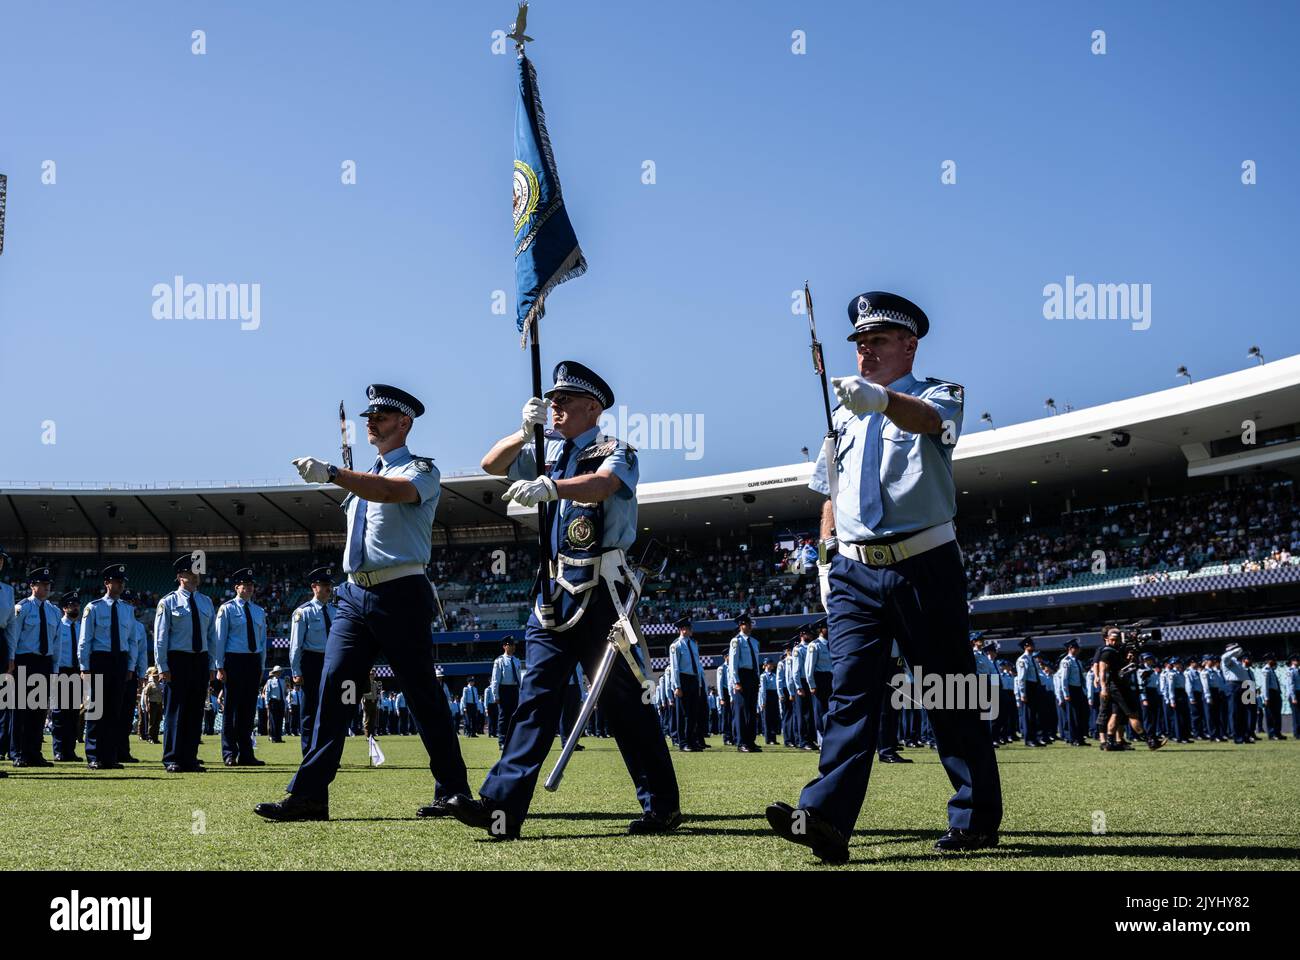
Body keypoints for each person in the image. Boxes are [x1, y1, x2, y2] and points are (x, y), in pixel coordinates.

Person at [766, 290, 1001, 862]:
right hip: (853, 570)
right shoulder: (843, 411)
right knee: (850, 693)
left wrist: (881, 400)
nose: (864, 351)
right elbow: (832, 489)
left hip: (923, 564)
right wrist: (826, 553)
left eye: (877, 341)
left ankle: (973, 818)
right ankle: (824, 816)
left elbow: (929, 422)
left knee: (949, 692)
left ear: (909, 345)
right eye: (859, 343)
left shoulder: (941, 394)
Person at [447, 362, 680, 839]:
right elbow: (491, 465)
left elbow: (602, 486)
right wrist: (521, 433)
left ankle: (662, 807)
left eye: (564, 401)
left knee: (625, 704)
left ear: (592, 407)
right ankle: (501, 808)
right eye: (551, 401)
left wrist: (552, 486)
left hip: (603, 594)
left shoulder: (617, 451)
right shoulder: (548, 450)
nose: (554, 407)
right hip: (553, 589)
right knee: (535, 700)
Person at [257, 384, 470, 822]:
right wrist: (346, 479)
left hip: (400, 592)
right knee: (332, 691)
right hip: (354, 594)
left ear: (404, 422)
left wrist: (335, 473)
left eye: (382, 416)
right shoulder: (366, 477)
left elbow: (391, 493)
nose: (371, 421)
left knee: (421, 695)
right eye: (369, 415)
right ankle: (310, 795)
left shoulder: (421, 470)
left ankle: (453, 791)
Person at [154, 555, 216, 773]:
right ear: (180, 576)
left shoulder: (206, 602)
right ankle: (172, 757)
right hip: (177, 659)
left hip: (199, 659)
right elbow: (161, 638)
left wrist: (212, 665)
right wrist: (162, 667)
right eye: (191, 572)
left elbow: (211, 636)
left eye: (197, 572)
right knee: (176, 710)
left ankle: (190, 757)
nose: (195, 576)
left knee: (195, 710)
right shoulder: (168, 601)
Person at [81, 564, 136, 771]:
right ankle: (94, 755)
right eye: (117, 581)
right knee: (97, 710)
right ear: (107, 583)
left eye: (122, 582)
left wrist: (130, 666)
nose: (120, 585)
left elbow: (132, 641)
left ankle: (110, 756)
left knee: (114, 711)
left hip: (119, 661)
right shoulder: (93, 607)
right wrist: (85, 667)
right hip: (100, 660)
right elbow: (85, 640)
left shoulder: (127, 609)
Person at [5, 567, 60, 766]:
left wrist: (55, 668)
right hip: (24, 661)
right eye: (43, 584)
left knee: (38, 710)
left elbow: (56, 644)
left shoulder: (54, 612)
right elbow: (13, 636)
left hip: (44, 662)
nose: (46, 588)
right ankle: (18, 752)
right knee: (21, 710)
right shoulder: (22, 608)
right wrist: (10, 661)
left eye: (48, 585)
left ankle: (34, 752)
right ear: (32, 586)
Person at [214, 568, 267, 766]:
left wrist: (261, 666)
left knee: (248, 710)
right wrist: (220, 666)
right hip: (233, 661)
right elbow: (220, 639)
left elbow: (261, 642)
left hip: (252, 661)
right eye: (245, 585)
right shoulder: (227, 609)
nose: (249, 589)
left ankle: (246, 753)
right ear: (237, 587)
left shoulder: (258, 611)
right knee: (231, 709)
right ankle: (229, 753)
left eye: (251, 585)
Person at [289, 565, 338, 756]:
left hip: (331, 661)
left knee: (329, 709)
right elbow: (295, 645)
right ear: (314, 587)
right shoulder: (303, 612)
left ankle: (325, 751)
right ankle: (309, 752)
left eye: (329, 585)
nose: (328, 589)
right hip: (311, 661)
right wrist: (296, 671)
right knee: (310, 710)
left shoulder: (335, 611)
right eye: (324, 585)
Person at [1094, 629, 1164, 752]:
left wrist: (1129, 659)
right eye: (1112, 640)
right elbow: (1102, 671)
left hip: (1119, 686)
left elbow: (1123, 667)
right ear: (1107, 639)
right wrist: (1103, 688)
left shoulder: (1116, 651)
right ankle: (1150, 741)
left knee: (1116, 714)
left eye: (1116, 640)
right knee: (1132, 714)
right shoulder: (1107, 652)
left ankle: (1110, 742)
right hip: (1117, 687)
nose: (1114, 642)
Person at [51, 590, 84, 761]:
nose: (75, 607)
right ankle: (58, 750)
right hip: (61, 671)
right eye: (72, 605)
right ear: (64, 608)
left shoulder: (81, 628)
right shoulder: (58, 626)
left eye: (77, 605)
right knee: (59, 714)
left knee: (72, 714)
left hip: (76, 672)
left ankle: (70, 750)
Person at [668, 616, 702, 752]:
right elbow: (675, 667)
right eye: (688, 628)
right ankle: (683, 742)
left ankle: (692, 741)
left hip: (693, 679)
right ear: (682, 630)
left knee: (693, 713)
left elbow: (697, 664)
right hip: (683, 679)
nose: (691, 630)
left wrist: (698, 682)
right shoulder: (676, 645)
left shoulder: (693, 643)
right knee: (683, 714)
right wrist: (677, 686)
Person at [727, 614, 761, 752]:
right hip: (742, 676)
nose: (750, 627)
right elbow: (733, 664)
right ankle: (741, 742)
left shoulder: (754, 641)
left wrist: (757, 678)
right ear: (741, 625)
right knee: (741, 711)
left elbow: (756, 663)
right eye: (747, 624)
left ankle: (750, 741)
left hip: (752, 676)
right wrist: (736, 681)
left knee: (751, 711)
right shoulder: (736, 641)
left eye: (750, 624)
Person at [490, 638, 523, 750]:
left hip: (514, 689)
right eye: (510, 645)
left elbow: (519, 678)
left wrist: (521, 691)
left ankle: (513, 740)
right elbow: (495, 680)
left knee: (514, 716)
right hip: (504, 689)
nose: (513, 647)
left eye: (514, 645)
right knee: (504, 716)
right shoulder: (499, 661)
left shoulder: (517, 660)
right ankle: (502, 741)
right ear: (504, 646)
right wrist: (496, 695)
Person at [806, 619, 833, 740]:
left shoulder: (832, 644)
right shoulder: (814, 645)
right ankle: (822, 738)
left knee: (832, 708)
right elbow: (809, 667)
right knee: (821, 710)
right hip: (820, 678)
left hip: (831, 678)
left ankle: (831, 736)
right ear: (821, 630)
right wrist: (812, 685)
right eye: (827, 627)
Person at [265, 666, 287, 743]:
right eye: (278, 671)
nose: (280, 673)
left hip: (281, 702)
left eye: (280, 671)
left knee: (280, 720)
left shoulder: (283, 681)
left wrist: (285, 704)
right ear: (275, 673)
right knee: (273, 720)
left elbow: (284, 694)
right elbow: (267, 693)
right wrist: (267, 703)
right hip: (273, 702)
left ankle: (279, 737)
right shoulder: (270, 681)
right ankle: (274, 738)